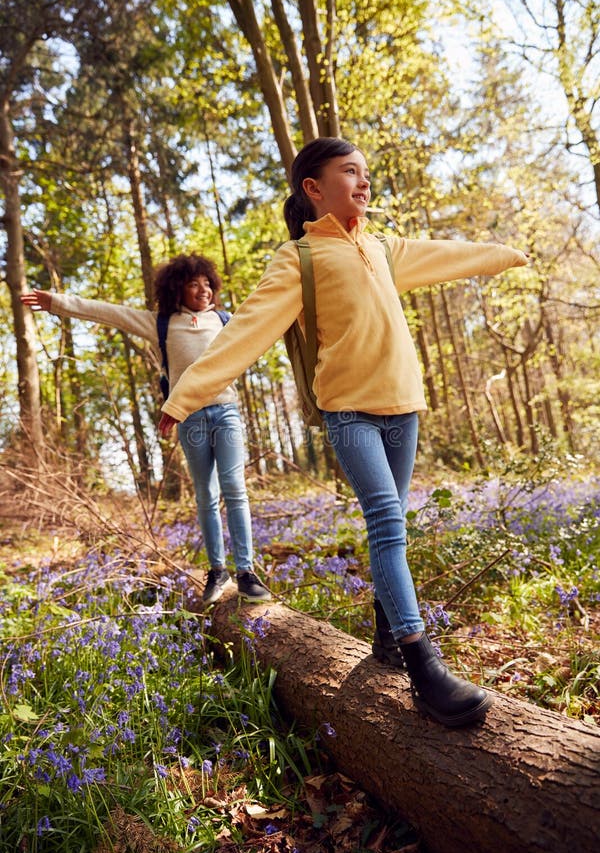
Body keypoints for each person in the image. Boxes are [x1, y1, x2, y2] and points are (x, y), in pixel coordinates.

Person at [158, 138, 530, 727]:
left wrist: (506, 253)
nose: (363, 182)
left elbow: (449, 254)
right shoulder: (299, 258)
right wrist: (184, 398)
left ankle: (385, 634)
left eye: (365, 173)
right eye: (349, 172)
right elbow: (243, 334)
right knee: (386, 520)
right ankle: (421, 667)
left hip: (403, 406)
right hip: (348, 411)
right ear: (314, 188)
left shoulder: (383, 247)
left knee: (395, 519)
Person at [21, 253, 271, 604]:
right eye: (193, 284)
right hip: (190, 419)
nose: (203, 290)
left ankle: (247, 573)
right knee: (206, 496)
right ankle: (218, 571)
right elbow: (108, 312)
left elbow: (268, 320)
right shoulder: (162, 324)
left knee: (234, 487)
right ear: (177, 290)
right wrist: (57, 302)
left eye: (207, 284)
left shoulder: (226, 320)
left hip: (226, 412)